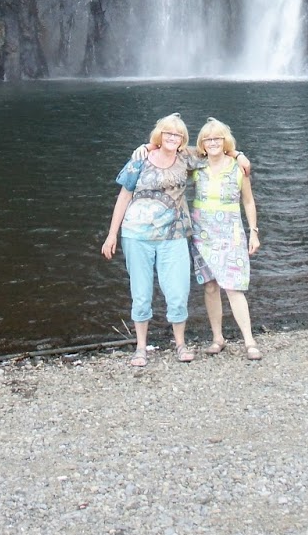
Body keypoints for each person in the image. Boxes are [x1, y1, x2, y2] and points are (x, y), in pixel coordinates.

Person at [101, 114, 200, 368]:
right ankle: (141, 348)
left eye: (177, 134)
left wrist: (239, 155)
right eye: (167, 133)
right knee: (141, 293)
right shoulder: (140, 159)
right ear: (159, 135)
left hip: (174, 235)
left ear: (182, 139)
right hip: (136, 235)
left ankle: (180, 344)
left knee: (178, 291)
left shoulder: (186, 157)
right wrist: (112, 234)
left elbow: (216, 149)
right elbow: (124, 196)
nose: (172, 137)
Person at [191, 118, 262, 361]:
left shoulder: (237, 168)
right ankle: (217, 338)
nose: (212, 143)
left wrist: (254, 231)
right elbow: (173, 148)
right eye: (208, 139)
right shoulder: (196, 165)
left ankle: (249, 340)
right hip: (202, 234)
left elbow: (249, 201)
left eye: (217, 138)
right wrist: (147, 147)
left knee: (233, 286)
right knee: (210, 285)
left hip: (230, 233)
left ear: (225, 141)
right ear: (202, 143)